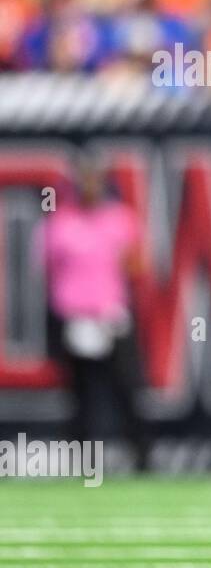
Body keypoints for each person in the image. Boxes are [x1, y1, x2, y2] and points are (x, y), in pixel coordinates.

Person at [39, 156, 147, 467]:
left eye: (94, 180)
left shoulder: (119, 219)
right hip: (74, 318)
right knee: (81, 393)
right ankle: (83, 462)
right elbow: (48, 269)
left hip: (111, 316)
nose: (89, 187)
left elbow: (137, 265)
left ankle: (142, 458)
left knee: (126, 388)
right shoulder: (60, 222)